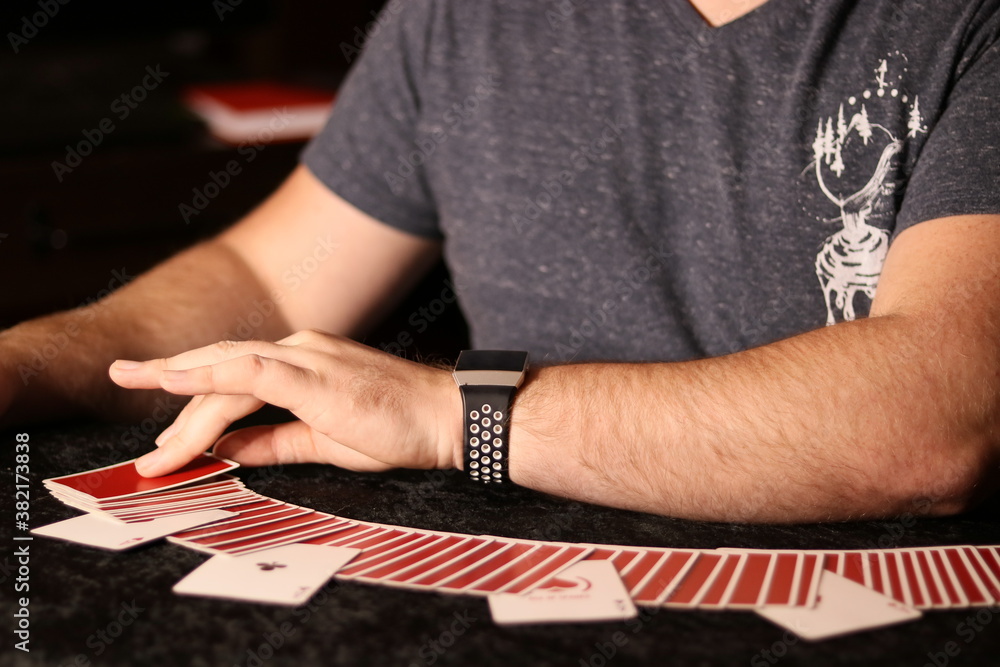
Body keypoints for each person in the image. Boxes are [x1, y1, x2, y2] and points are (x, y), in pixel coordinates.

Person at [3, 0, 998, 522]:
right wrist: (23, 363)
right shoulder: (458, 14)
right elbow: (264, 285)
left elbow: (926, 425)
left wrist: (453, 416)